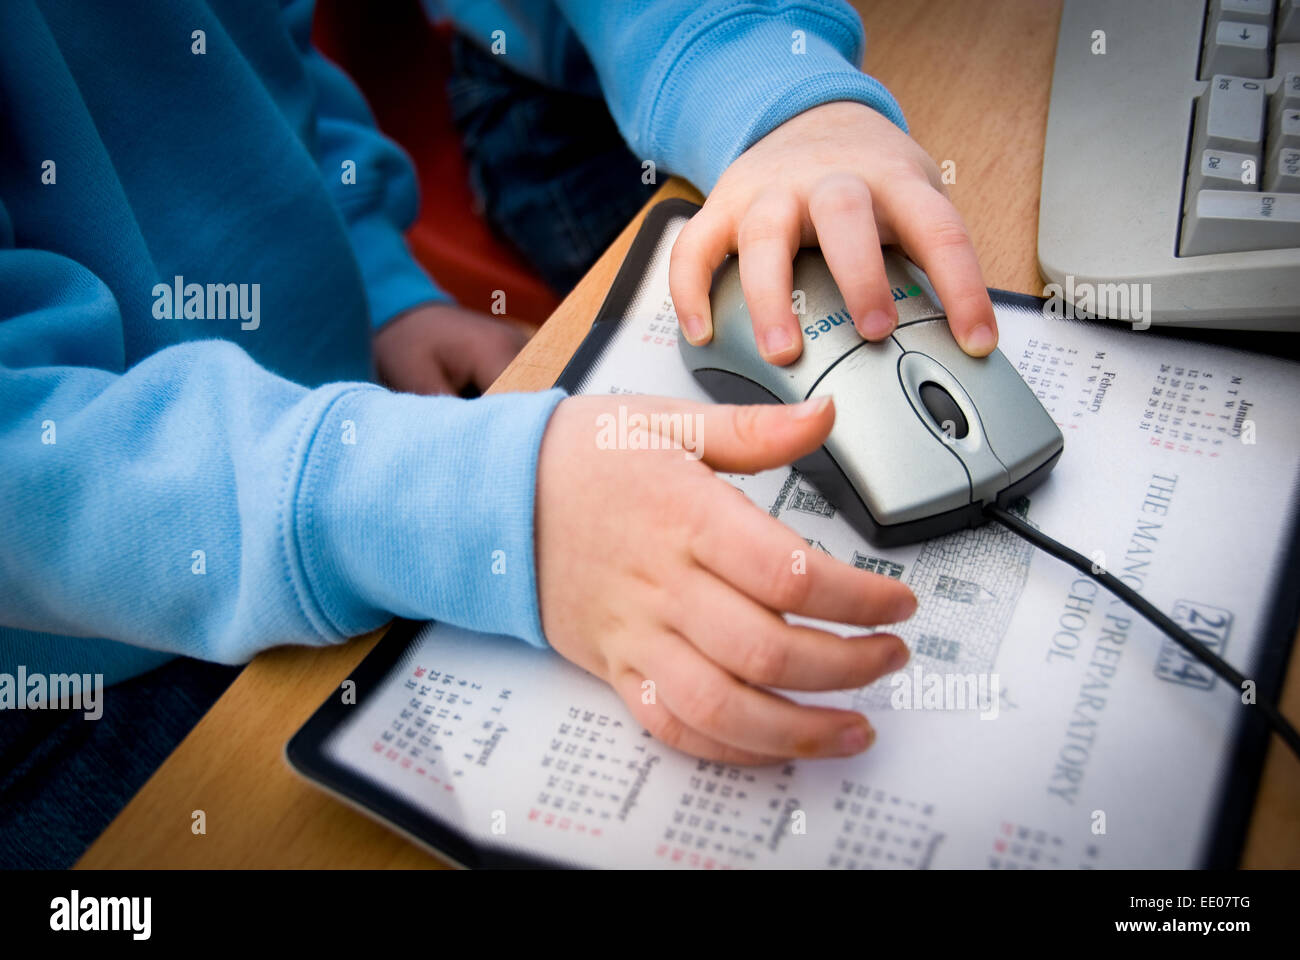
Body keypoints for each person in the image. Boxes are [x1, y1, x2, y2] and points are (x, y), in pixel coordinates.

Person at [0, 0, 996, 866]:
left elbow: (256, 69)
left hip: (348, 449)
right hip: (84, 672)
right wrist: (497, 507)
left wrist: (380, 288)